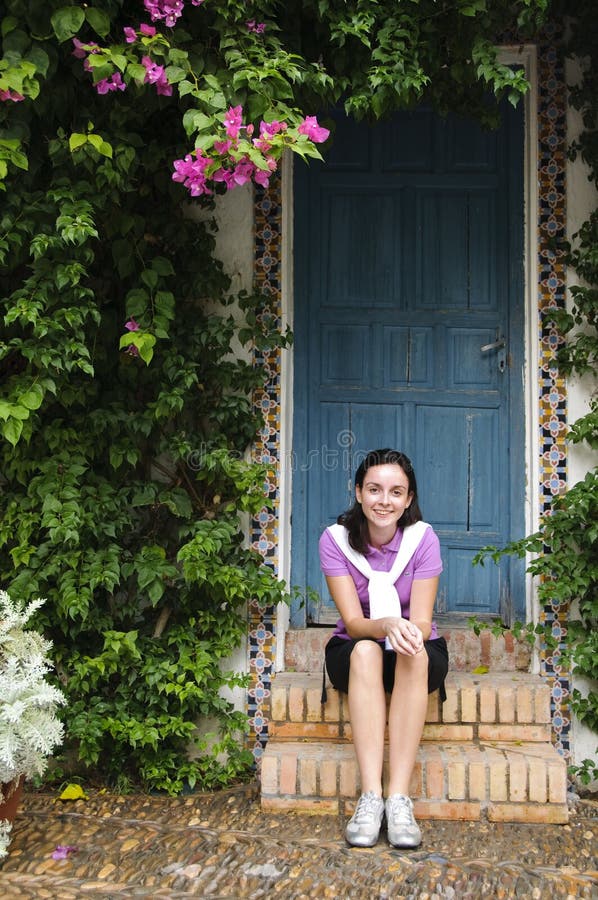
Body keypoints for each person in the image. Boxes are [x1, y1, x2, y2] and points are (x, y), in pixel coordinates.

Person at [319, 448, 448, 849]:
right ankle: (371, 796)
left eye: (396, 492)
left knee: (414, 649)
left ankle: (399, 799)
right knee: (366, 650)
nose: (384, 501)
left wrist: (404, 631)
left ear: (408, 499)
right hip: (356, 649)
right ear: (359, 492)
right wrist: (388, 624)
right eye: (374, 489)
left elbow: (423, 623)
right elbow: (355, 624)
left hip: (415, 648)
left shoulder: (422, 539)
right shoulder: (336, 541)